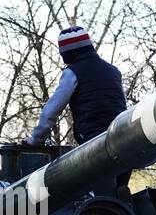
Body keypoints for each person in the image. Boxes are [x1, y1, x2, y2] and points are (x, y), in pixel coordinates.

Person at [25, 26, 130, 195]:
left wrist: (37, 138)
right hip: (122, 135)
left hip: (94, 140)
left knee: (101, 193)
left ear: (67, 53)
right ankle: (121, 189)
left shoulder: (73, 72)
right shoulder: (113, 71)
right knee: (118, 185)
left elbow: (53, 108)